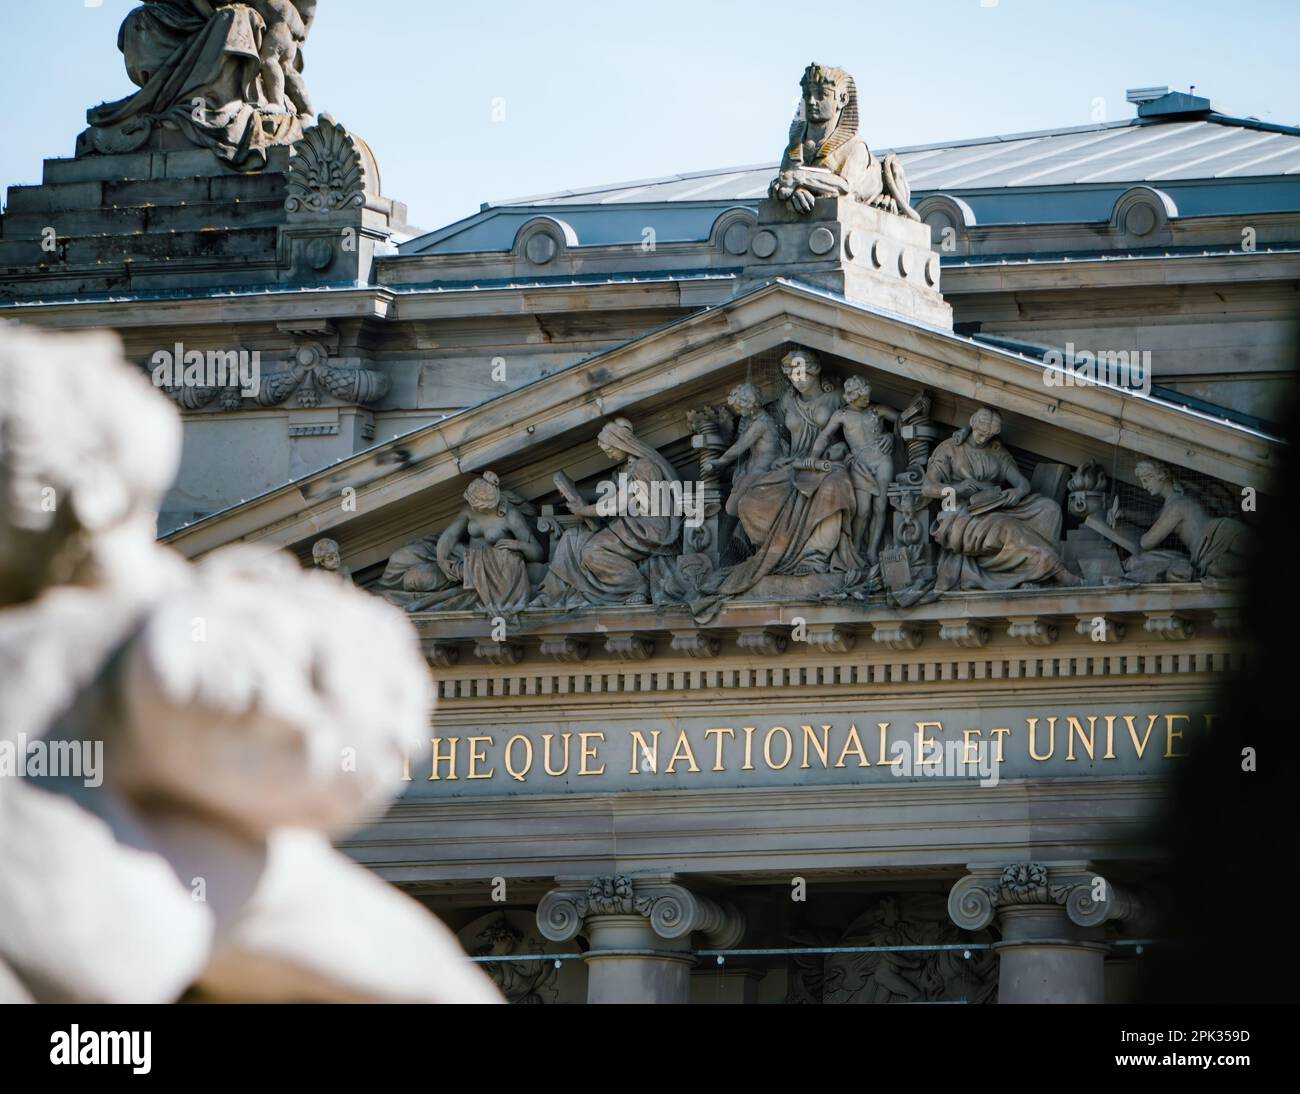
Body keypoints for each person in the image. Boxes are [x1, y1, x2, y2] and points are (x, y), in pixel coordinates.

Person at [922, 407, 1080, 591]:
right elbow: (927, 487)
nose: (983, 438)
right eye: (980, 433)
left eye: (988, 435)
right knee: (1006, 527)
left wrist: (1017, 492)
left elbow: (1022, 483)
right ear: (972, 424)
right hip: (960, 513)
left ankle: (1036, 574)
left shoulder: (996, 450)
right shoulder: (950, 448)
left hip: (995, 505)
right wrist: (956, 488)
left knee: (1049, 509)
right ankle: (1053, 568)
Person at [811, 375, 898, 563]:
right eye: (863, 397)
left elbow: (904, 420)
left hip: (882, 461)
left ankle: (873, 550)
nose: (867, 400)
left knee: (881, 506)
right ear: (852, 397)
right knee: (863, 510)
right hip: (861, 466)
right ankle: (857, 547)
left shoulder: (877, 410)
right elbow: (824, 436)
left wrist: (891, 436)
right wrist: (812, 458)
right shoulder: (842, 416)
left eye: (868, 395)